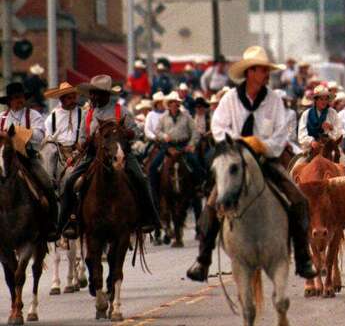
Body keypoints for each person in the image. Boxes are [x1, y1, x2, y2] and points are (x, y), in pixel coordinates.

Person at [187, 46, 318, 282]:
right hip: (235, 160)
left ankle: (303, 257)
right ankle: (203, 260)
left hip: (265, 160)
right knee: (211, 204)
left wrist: (263, 145)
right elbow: (218, 127)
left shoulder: (274, 100)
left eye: (267, 70)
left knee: (299, 200)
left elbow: (281, 132)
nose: (266, 74)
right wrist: (237, 142)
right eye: (262, 70)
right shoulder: (229, 100)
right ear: (250, 72)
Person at [58, 75, 159, 239]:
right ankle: (67, 222)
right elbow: (82, 139)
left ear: (106, 94)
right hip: (93, 156)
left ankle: (149, 218)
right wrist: (86, 142)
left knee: (140, 179)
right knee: (70, 182)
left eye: (97, 94)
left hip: (121, 154)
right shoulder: (88, 114)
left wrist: (127, 133)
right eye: (92, 93)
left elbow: (137, 132)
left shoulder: (121, 111)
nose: (93, 97)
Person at [0, 82, 57, 240]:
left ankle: (52, 224)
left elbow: (39, 137)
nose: (19, 100)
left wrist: (18, 133)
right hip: (5, 158)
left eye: (21, 97)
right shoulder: (1, 118)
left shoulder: (33, 115)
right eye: (15, 98)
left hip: (28, 158)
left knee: (47, 184)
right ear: (9, 101)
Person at [148, 92, 201, 201]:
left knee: (196, 164)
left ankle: (198, 188)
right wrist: (164, 136)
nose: (173, 104)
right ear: (168, 104)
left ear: (178, 104)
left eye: (175, 102)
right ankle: (155, 192)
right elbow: (157, 131)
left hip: (183, 145)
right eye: (171, 102)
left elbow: (195, 131)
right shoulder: (163, 117)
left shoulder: (186, 116)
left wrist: (191, 145)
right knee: (153, 167)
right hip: (168, 146)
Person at [44, 81, 86, 152]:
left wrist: (81, 143)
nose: (73, 100)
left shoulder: (82, 113)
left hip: (78, 152)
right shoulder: (52, 117)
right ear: (61, 99)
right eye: (69, 98)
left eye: (74, 98)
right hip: (58, 153)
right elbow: (48, 138)